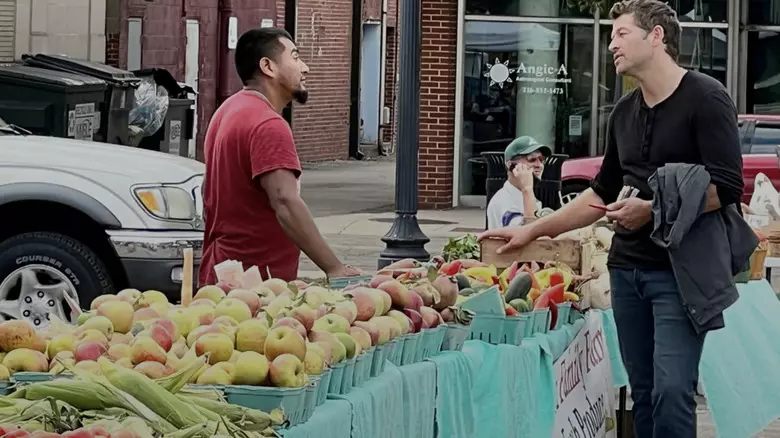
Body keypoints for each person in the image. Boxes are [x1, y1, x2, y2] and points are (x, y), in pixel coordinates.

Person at [479, 1, 745, 436]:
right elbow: (600, 193)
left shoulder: (707, 98)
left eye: (621, 33)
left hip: (680, 274)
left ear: (656, 36)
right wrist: (531, 229)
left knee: (673, 391)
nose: (611, 44)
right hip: (626, 272)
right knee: (643, 392)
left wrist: (653, 211)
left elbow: (728, 186)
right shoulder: (624, 111)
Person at [199, 27, 362, 286]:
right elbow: (285, 202)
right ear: (268, 66)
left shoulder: (226, 111)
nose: (305, 67)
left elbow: (209, 191)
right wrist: (334, 267)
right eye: (295, 57)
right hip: (256, 287)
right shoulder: (268, 124)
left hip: (221, 276)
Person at [486, 136, 550, 229]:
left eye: (541, 160)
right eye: (532, 159)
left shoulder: (522, 195)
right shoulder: (505, 203)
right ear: (511, 165)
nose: (539, 165)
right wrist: (527, 189)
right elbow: (530, 232)